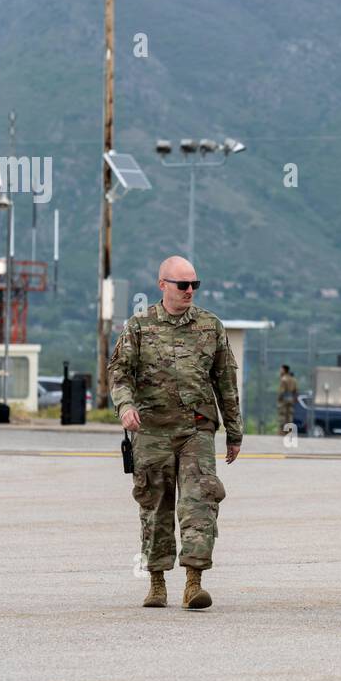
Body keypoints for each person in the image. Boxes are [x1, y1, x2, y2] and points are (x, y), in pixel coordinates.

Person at [108, 255, 242, 610]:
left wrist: (234, 431)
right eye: (183, 285)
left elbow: (225, 380)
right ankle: (156, 582)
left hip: (196, 428)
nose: (189, 291)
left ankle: (194, 582)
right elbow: (119, 373)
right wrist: (125, 406)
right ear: (163, 284)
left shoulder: (210, 326)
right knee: (155, 505)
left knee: (199, 502)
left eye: (194, 285)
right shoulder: (138, 327)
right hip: (151, 429)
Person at [276, 364, 298, 433]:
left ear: (284, 370)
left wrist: (279, 399)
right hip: (291, 398)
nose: (280, 371)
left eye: (281, 369)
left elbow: (281, 391)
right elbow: (296, 390)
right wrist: (295, 398)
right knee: (290, 415)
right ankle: (289, 430)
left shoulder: (283, 379)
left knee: (282, 415)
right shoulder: (293, 379)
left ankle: (282, 431)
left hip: (284, 399)